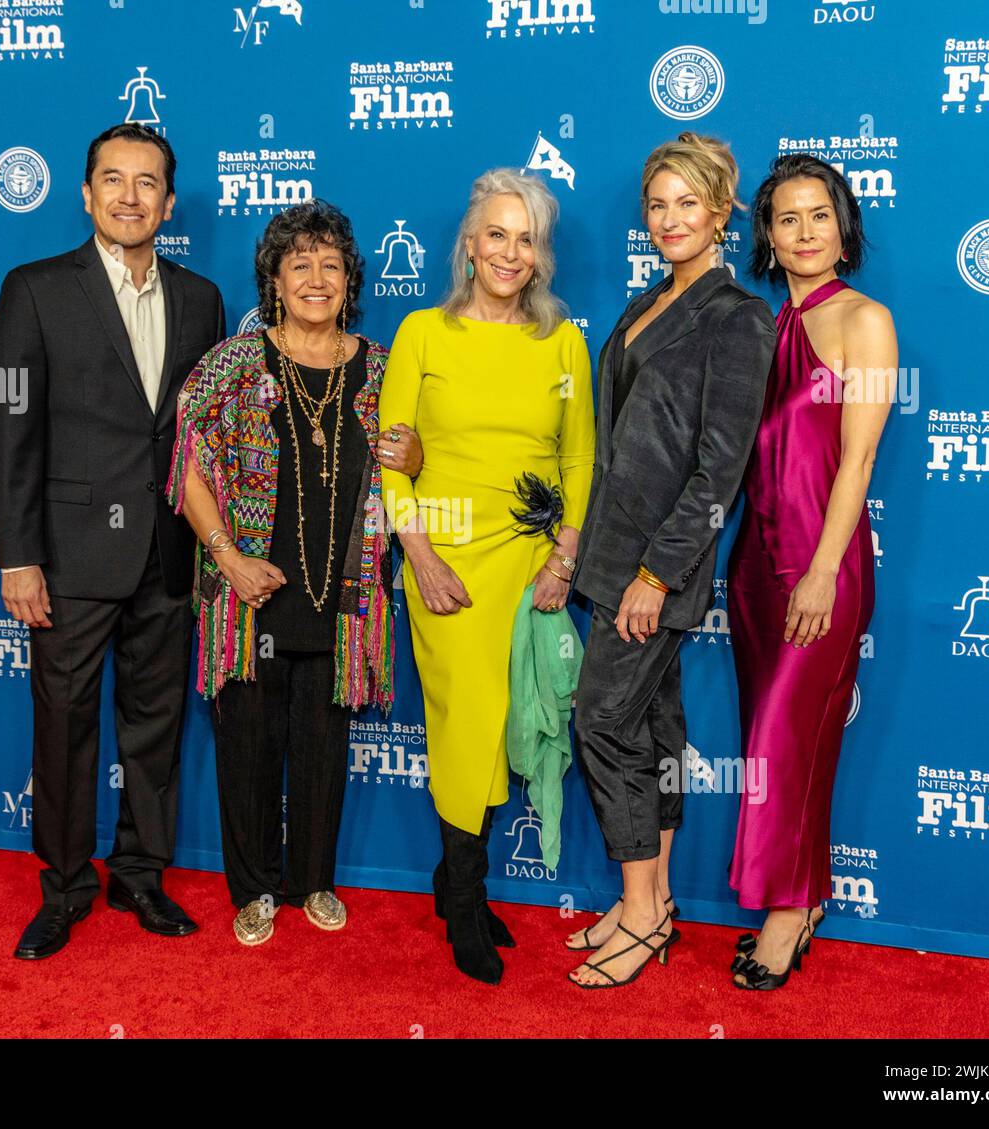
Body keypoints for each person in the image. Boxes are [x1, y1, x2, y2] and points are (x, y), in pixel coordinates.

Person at [0, 123, 226, 959]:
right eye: (114, 180)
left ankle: (139, 874)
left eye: (148, 182)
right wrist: (17, 555)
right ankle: (63, 887)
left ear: (169, 201)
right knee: (62, 728)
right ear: (86, 194)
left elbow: (200, 437)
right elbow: (10, 429)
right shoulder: (35, 289)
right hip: (68, 556)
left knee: (155, 725)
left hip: (168, 554)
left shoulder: (202, 299)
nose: (131, 196)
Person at [168, 200, 421, 946]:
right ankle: (253, 889)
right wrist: (230, 559)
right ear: (274, 280)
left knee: (323, 750)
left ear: (350, 280)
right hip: (248, 601)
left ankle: (313, 879)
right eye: (299, 263)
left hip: (341, 604)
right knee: (246, 753)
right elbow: (185, 467)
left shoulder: (382, 370)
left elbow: (415, 464)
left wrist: (417, 459)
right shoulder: (232, 364)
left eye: (331, 264)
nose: (316, 277)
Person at [566, 132, 776, 989]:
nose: (669, 219)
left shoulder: (738, 317)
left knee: (602, 720)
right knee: (652, 727)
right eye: (657, 204)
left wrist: (656, 575)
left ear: (722, 210)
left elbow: (719, 468)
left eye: (688, 202)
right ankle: (647, 901)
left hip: (659, 567)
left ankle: (645, 914)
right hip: (612, 556)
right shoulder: (646, 301)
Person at [379, 169, 595, 985]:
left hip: (532, 564)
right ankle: (465, 900)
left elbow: (579, 455)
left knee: (514, 720)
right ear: (469, 245)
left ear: (541, 257)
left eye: (527, 238)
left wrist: (565, 556)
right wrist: (420, 557)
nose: (511, 251)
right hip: (447, 561)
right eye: (496, 234)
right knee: (466, 719)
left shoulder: (563, 342)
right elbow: (393, 458)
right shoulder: (422, 334)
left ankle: (448, 879)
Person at [728, 155, 895, 990]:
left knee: (793, 735)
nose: (803, 232)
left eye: (818, 215)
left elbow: (858, 458)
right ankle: (804, 893)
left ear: (843, 224)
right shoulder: (758, 327)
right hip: (753, 564)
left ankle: (789, 910)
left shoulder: (865, 321)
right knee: (768, 738)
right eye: (786, 218)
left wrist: (825, 569)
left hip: (820, 564)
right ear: (766, 234)